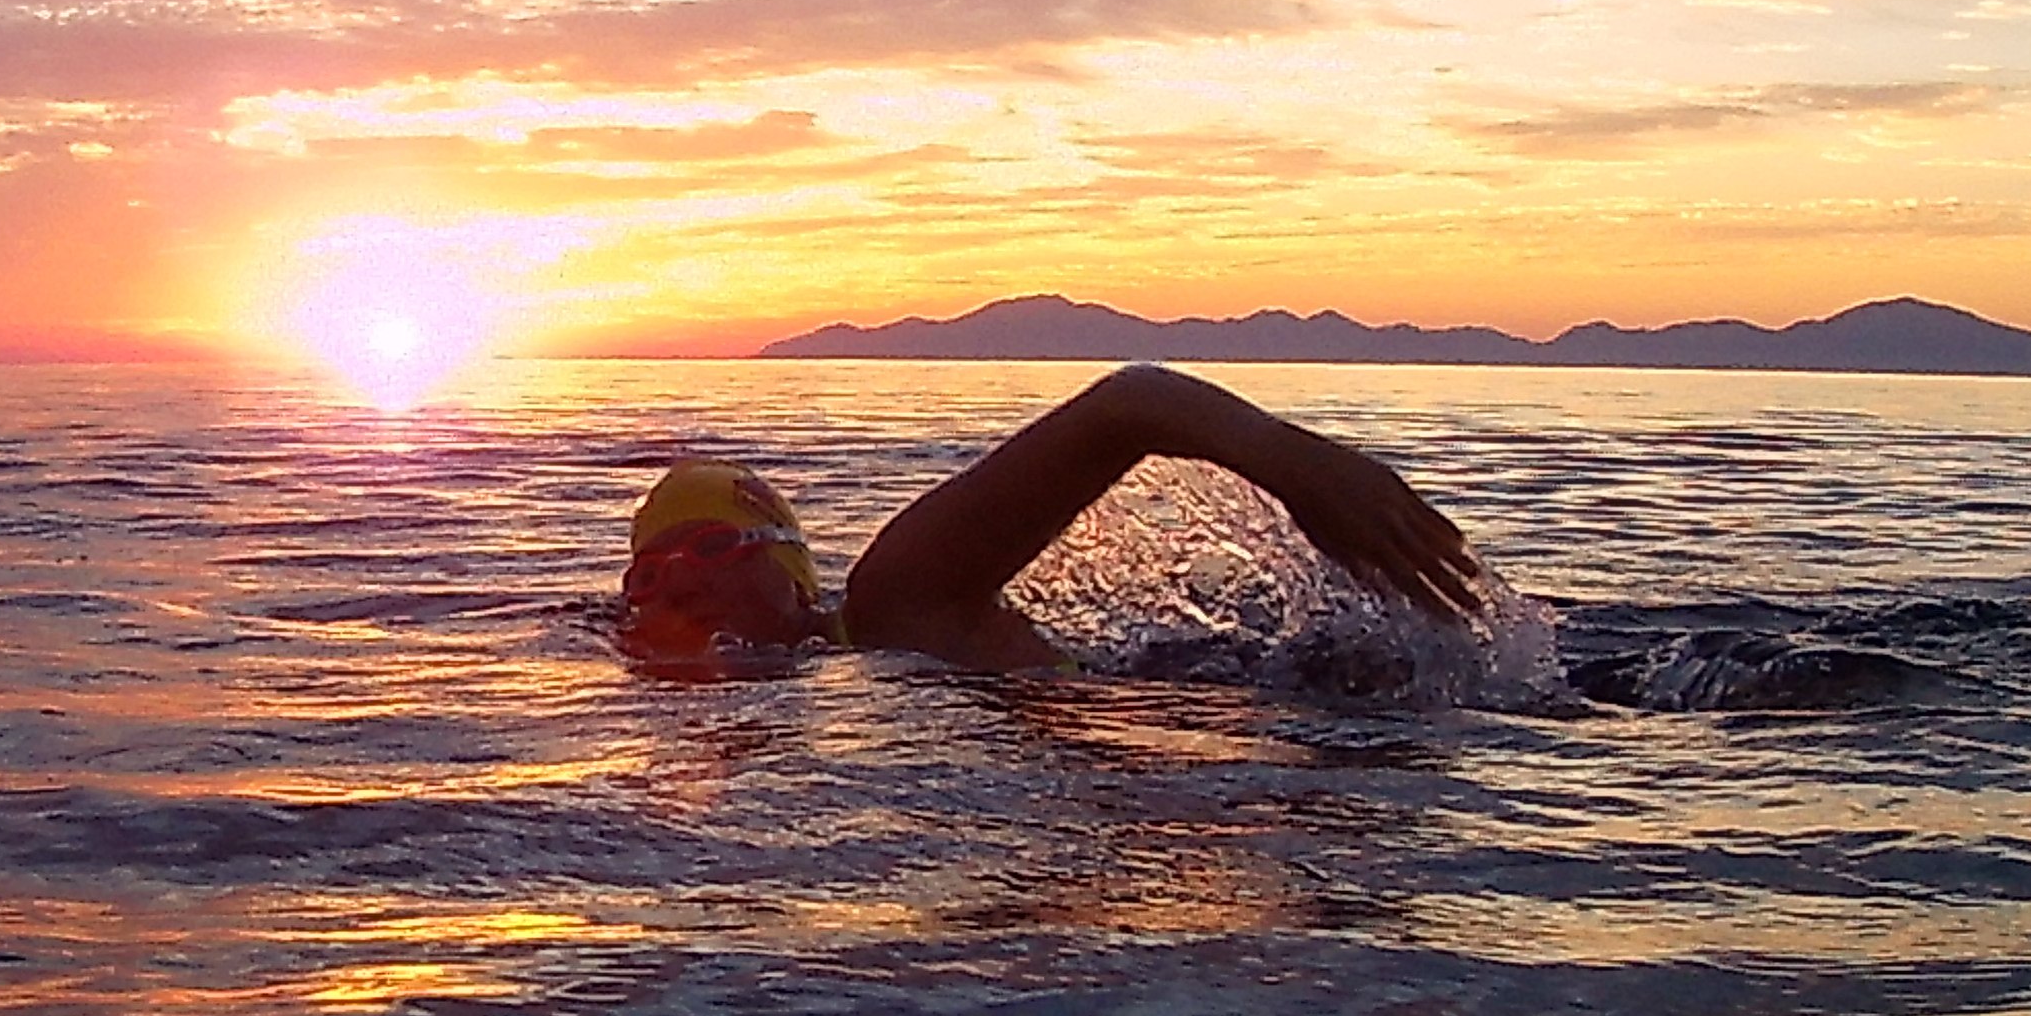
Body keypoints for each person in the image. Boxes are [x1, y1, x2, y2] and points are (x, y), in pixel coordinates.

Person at [618, 362, 1483, 673]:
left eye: (714, 543)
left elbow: (1129, 403)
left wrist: (1304, 468)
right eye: (647, 575)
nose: (681, 576)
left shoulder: (894, 603)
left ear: (790, 567)